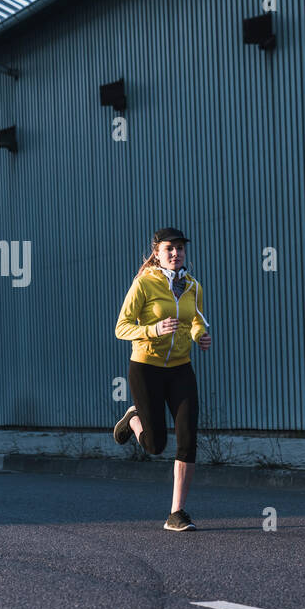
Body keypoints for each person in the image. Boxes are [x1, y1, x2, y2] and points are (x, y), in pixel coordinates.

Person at [112, 226, 212, 530]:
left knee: (188, 435)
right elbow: (121, 327)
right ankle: (134, 418)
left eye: (180, 248)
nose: (176, 253)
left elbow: (195, 319)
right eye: (169, 248)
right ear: (157, 252)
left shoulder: (193, 286)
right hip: (146, 367)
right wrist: (153, 330)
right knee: (155, 445)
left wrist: (200, 335)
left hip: (180, 367)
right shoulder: (144, 284)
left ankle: (176, 513)